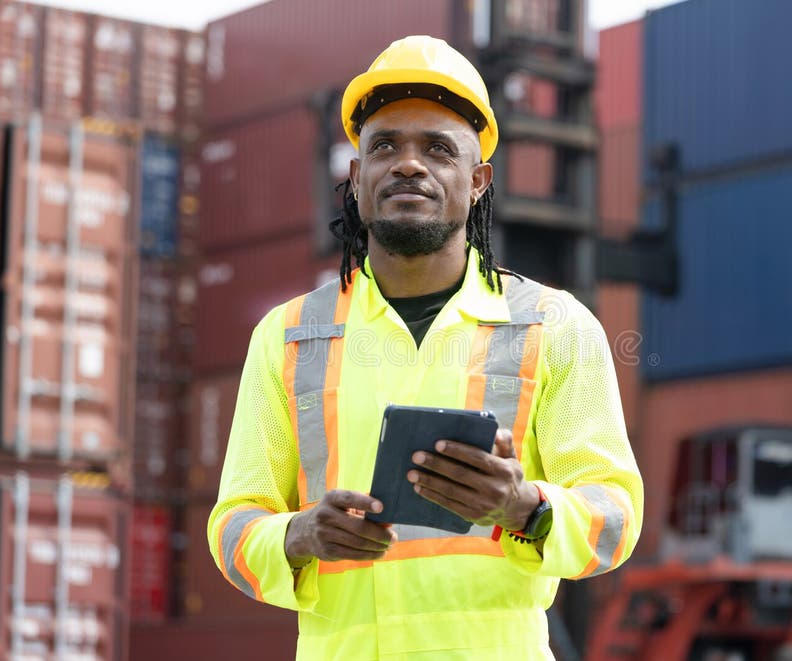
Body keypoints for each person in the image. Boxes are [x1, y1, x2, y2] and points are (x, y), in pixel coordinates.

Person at [208, 35, 643, 660]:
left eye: (438, 150)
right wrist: (299, 535)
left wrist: (524, 508)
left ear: (477, 182)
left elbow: (617, 517)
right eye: (384, 146)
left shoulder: (556, 326)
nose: (408, 165)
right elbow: (231, 529)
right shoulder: (288, 335)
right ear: (356, 178)